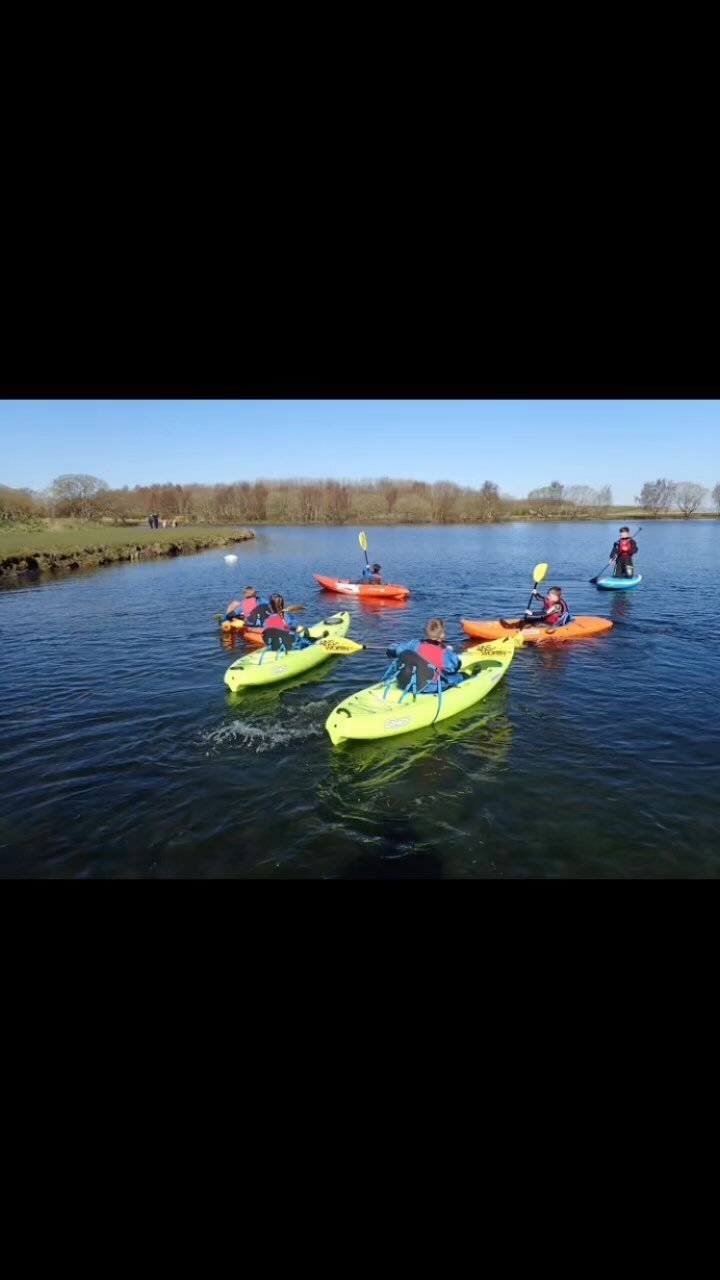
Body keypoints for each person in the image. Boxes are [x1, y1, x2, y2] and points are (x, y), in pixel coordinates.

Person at [385, 618, 463, 692]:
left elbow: (392, 650)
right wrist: (449, 650)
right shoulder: (444, 652)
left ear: (425, 633)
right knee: (459, 676)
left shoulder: (414, 644)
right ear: (442, 635)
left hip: (409, 684)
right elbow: (455, 666)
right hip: (430, 688)